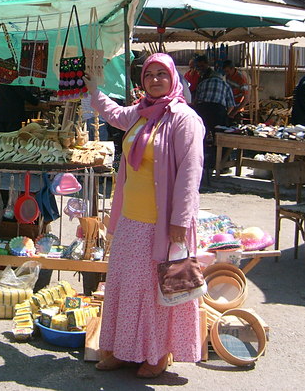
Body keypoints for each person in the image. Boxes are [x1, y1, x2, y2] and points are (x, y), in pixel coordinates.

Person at [86, 53, 204, 379]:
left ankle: (156, 354)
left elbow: (190, 174)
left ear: (172, 78)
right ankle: (123, 350)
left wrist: (180, 221)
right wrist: (93, 88)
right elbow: (111, 113)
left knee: (154, 291)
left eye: (161, 74)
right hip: (130, 219)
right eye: (149, 74)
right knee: (126, 287)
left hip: (162, 223)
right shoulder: (141, 114)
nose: (154, 79)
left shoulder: (183, 119)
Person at [193, 55, 235, 135]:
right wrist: (225, 114)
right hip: (218, 111)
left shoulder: (202, 83)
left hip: (203, 109)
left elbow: (196, 101)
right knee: (218, 133)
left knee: (202, 133)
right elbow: (231, 106)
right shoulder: (225, 85)